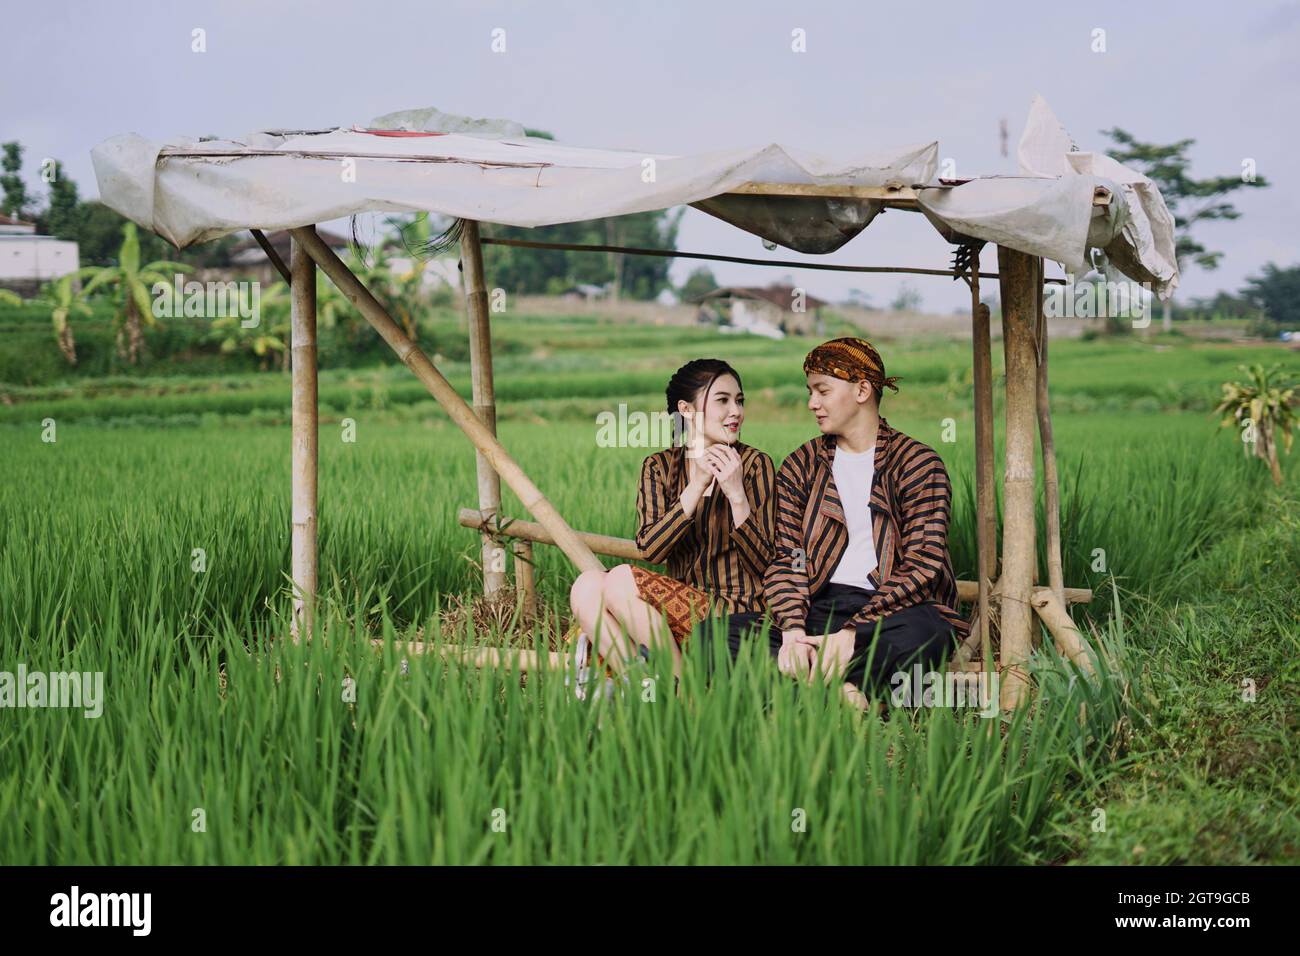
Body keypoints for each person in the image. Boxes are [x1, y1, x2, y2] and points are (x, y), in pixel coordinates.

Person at [756, 337, 971, 710]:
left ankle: (805, 685)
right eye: (810, 391)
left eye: (822, 390)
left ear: (861, 389)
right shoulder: (800, 465)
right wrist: (792, 630)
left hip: (894, 611)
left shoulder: (918, 463)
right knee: (716, 635)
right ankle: (845, 688)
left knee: (928, 634)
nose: (812, 403)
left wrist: (854, 632)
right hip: (818, 608)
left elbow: (924, 563)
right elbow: (786, 558)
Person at [568, 359, 776, 681]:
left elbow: (766, 563)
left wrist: (736, 494)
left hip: (740, 611)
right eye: (722, 400)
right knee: (587, 586)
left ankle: (683, 693)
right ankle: (641, 685)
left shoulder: (754, 465)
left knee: (621, 580)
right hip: (678, 611)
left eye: (739, 400)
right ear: (687, 409)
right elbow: (651, 549)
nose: (736, 411)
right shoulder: (660, 467)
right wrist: (696, 486)